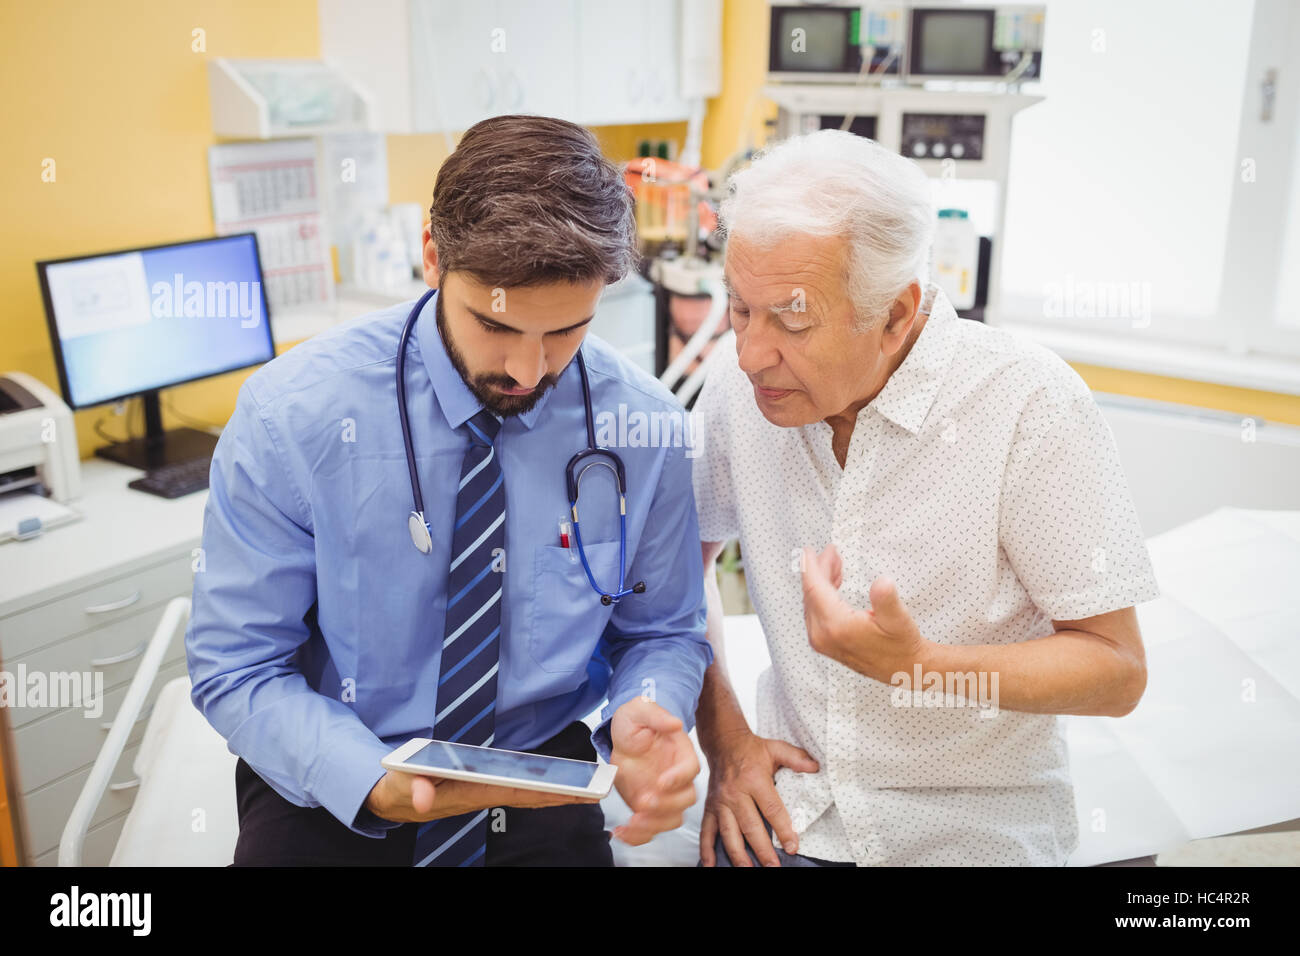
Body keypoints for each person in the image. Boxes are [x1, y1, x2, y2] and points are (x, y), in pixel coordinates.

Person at [186, 115, 711, 867]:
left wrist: (648, 707)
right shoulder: (293, 416)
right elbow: (237, 665)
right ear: (433, 255)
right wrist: (365, 778)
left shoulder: (644, 430)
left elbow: (661, 631)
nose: (531, 371)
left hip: (536, 774)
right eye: (497, 326)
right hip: (342, 766)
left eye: (566, 333)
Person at [690, 129, 1160, 867]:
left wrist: (922, 667)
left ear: (897, 315)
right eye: (740, 309)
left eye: (791, 319)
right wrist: (726, 739)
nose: (750, 354)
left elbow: (1117, 670)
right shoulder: (735, 392)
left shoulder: (1029, 406)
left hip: (969, 837)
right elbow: (676, 573)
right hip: (790, 816)